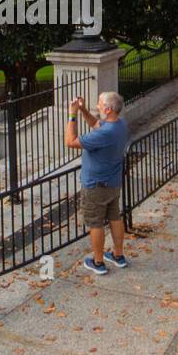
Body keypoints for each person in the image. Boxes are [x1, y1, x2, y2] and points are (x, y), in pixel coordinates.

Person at [63, 92, 131, 275]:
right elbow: (96, 123)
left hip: (95, 185)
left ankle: (98, 262)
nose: (97, 106)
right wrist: (83, 109)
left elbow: (70, 141)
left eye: (100, 104)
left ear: (108, 109)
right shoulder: (119, 124)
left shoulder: (104, 134)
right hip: (113, 183)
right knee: (115, 217)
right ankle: (118, 255)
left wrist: (72, 114)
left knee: (96, 223)